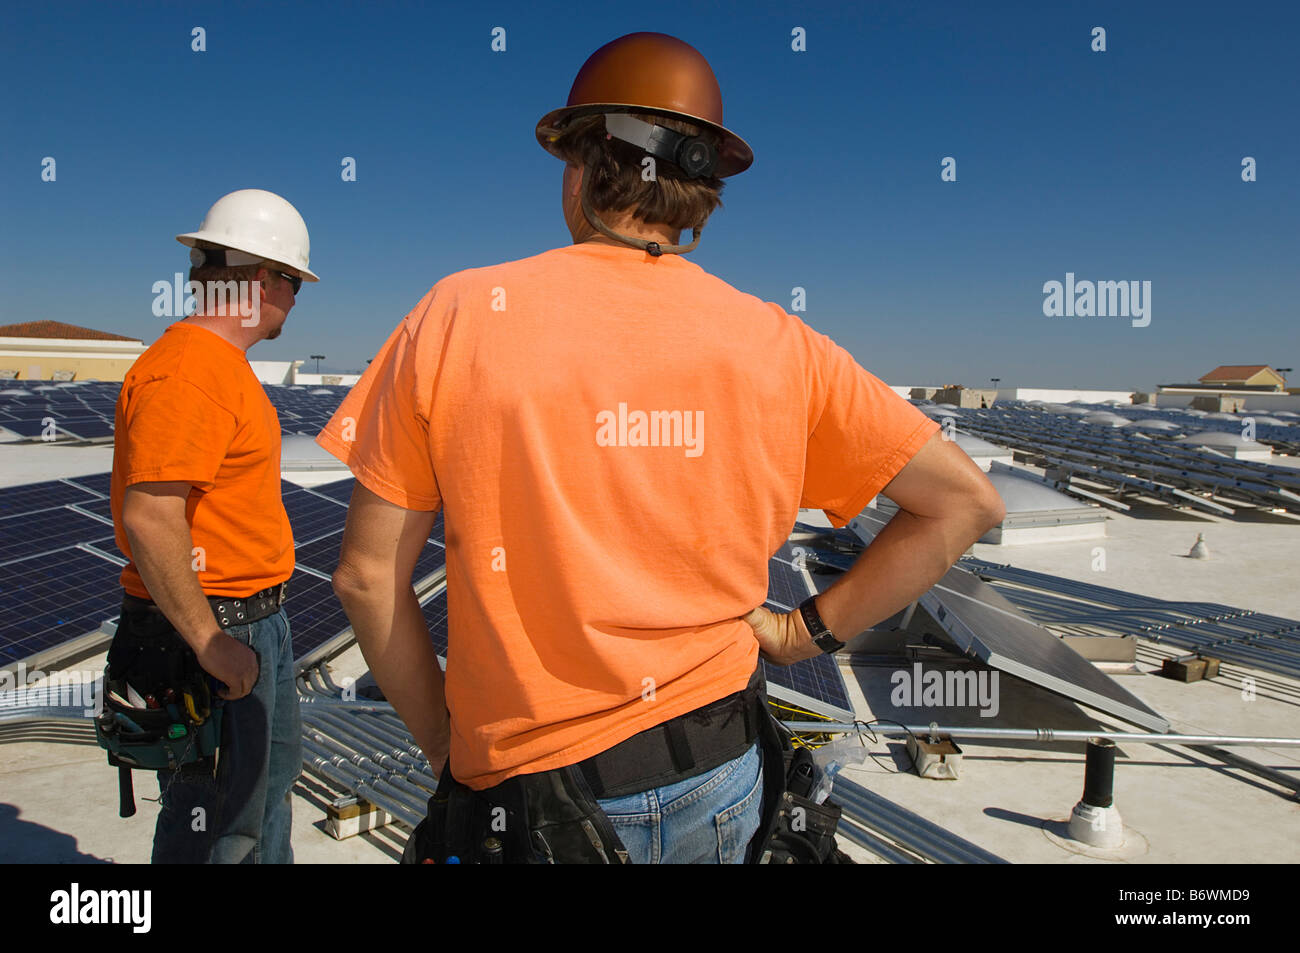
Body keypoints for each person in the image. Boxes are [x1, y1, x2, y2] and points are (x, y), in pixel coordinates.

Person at [319, 32, 1003, 863]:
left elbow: (364, 576)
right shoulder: (779, 343)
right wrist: (799, 635)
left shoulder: (460, 314)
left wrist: (449, 748)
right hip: (722, 773)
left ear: (585, 163)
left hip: (528, 795)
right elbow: (964, 503)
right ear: (702, 190)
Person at [108, 189, 319, 863]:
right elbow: (150, 512)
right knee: (218, 825)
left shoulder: (220, 369)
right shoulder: (189, 372)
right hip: (217, 626)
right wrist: (208, 640)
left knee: (261, 799)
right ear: (263, 278)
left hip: (250, 621)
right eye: (294, 280)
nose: (295, 296)